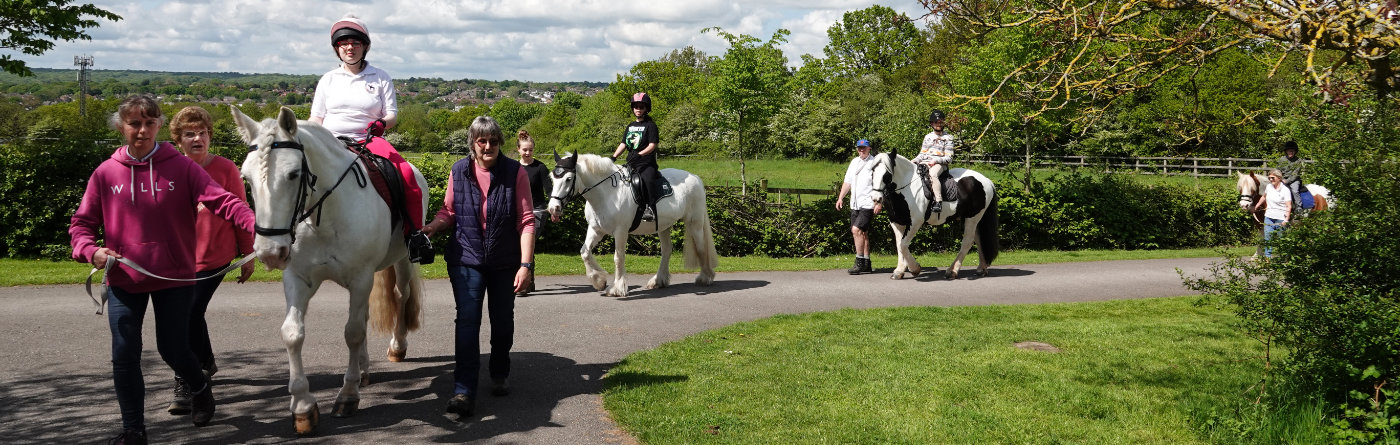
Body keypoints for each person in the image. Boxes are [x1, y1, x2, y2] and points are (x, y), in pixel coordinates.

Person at [70, 95, 256, 445]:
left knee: (173, 348)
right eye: (134, 123)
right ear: (120, 126)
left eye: (149, 122)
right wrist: (89, 250)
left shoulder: (182, 168)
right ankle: (133, 430)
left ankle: (199, 385)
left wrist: (256, 228)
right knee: (124, 353)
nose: (141, 130)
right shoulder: (105, 173)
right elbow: (81, 224)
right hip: (124, 276)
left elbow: (225, 201)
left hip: (174, 277)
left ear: (158, 126)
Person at [419, 116, 536, 420]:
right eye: (482, 141)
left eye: (494, 141)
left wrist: (525, 265)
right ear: (472, 143)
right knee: (468, 321)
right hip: (466, 258)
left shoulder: (515, 172)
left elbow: (525, 221)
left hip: (505, 261)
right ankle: (463, 391)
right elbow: (449, 210)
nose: (488, 146)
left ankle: (499, 371)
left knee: (502, 320)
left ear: (500, 143)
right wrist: (434, 225)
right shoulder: (459, 170)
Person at [309, 13, 430, 263]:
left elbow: (392, 115)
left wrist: (381, 124)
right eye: (344, 44)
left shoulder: (380, 76)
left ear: (365, 46)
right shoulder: (328, 80)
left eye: (355, 43)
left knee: (406, 174)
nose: (349, 48)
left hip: (368, 139)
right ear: (337, 49)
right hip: (330, 141)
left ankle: (414, 236)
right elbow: (316, 119)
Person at [163, 106, 255, 416]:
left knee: (188, 313)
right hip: (178, 260)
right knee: (190, 314)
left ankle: (188, 378)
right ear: (178, 140)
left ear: (210, 136)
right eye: (190, 133)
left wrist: (248, 255)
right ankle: (205, 363)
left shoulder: (226, 169)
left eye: (202, 133)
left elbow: (241, 210)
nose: (198, 138)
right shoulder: (167, 169)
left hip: (215, 257)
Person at [610, 92, 661, 222]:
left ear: (646, 109)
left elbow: (652, 145)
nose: (638, 109)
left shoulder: (651, 126)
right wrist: (614, 157)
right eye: (636, 107)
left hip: (646, 163)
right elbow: (623, 144)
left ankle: (650, 208)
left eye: (641, 107)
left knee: (647, 180)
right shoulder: (630, 126)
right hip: (631, 162)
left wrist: (640, 154)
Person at [836, 139, 880, 274]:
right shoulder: (854, 162)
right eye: (859, 148)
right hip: (855, 203)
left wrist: (878, 202)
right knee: (863, 233)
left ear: (869, 149)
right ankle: (867, 262)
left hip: (868, 203)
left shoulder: (875, 163)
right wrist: (840, 197)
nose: (861, 150)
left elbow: (880, 185)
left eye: (864, 148)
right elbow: (847, 181)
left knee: (856, 230)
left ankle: (859, 262)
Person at [516, 129, 552, 296]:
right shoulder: (514, 168)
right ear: (518, 150)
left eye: (530, 150)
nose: (528, 152)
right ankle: (529, 282)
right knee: (521, 246)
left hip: (538, 211)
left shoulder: (540, 168)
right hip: (518, 213)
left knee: (527, 244)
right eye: (525, 149)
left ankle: (525, 283)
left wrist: (555, 211)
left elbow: (551, 192)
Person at [912, 109, 956, 213]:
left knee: (932, 174)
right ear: (932, 123)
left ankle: (938, 201)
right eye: (936, 122)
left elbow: (949, 158)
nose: (938, 124)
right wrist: (915, 160)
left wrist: (936, 160)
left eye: (940, 122)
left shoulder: (948, 138)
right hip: (926, 162)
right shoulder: (928, 137)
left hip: (940, 164)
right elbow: (922, 153)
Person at [1253, 169, 1292, 258]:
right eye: (1269, 178)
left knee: (1282, 240)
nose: (1271, 180)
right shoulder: (1269, 187)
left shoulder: (1285, 190)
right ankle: (1267, 259)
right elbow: (1264, 196)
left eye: (1273, 178)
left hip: (1280, 218)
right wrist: (1257, 205)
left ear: (1279, 178)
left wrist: (1286, 219)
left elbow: (1288, 206)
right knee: (1268, 240)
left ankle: (1284, 259)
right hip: (1269, 217)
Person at [1273, 140, 1306, 216]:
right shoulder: (1281, 160)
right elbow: (1277, 170)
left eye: (1292, 151)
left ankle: (1298, 207)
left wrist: (1286, 181)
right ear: (1286, 151)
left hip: (1294, 180)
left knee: (1295, 190)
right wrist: (1278, 179)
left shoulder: (1298, 161)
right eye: (1289, 151)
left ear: (1295, 152)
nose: (1290, 153)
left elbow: (1295, 174)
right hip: (1282, 179)